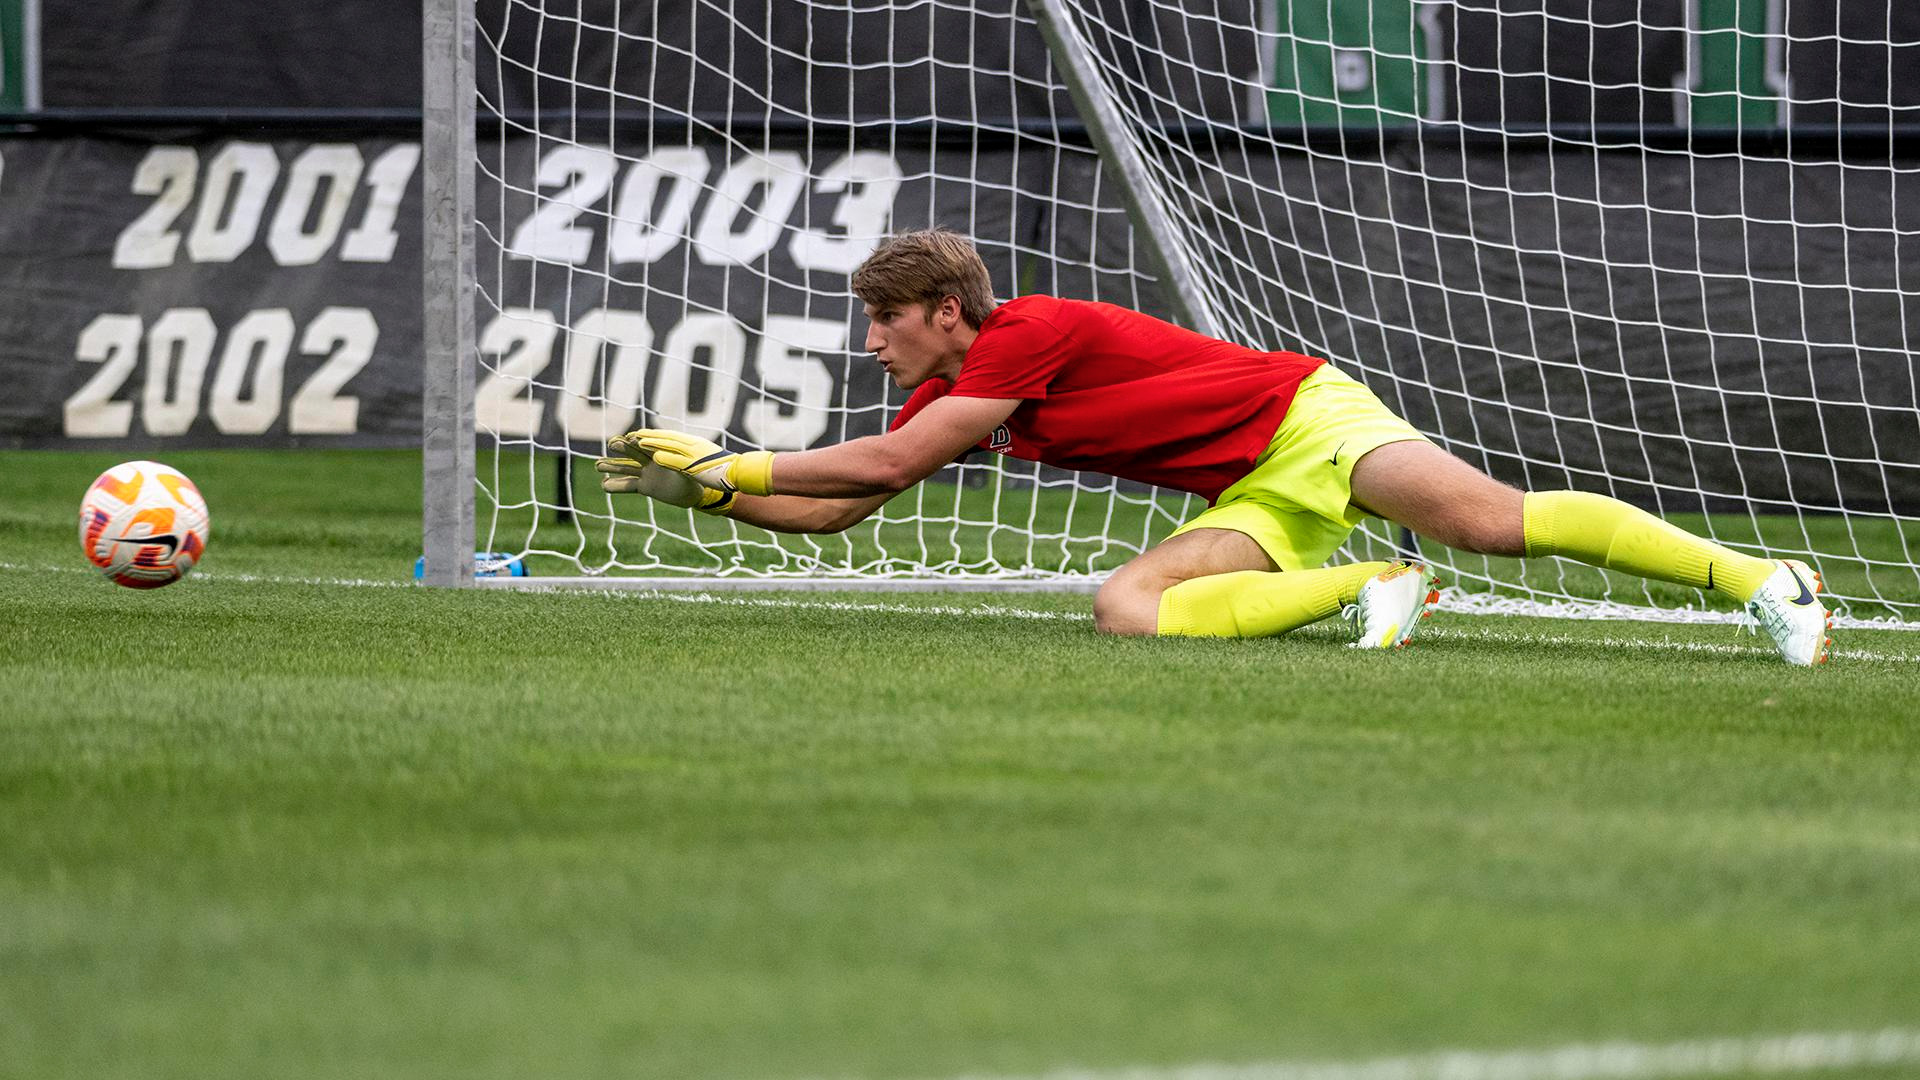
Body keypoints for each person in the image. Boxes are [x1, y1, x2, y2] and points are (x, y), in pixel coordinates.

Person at [596, 228, 1833, 665]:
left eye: (884, 318)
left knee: (1484, 519)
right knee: (1128, 606)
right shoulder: (957, 394)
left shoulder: (1023, 332)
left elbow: (877, 470)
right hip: (1251, 484)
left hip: (1307, 418)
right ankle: (1373, 586)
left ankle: (1763, 583)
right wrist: (704, 495)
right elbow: (833, 512)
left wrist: (732, 459)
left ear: (947, 315)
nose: (869, 339)